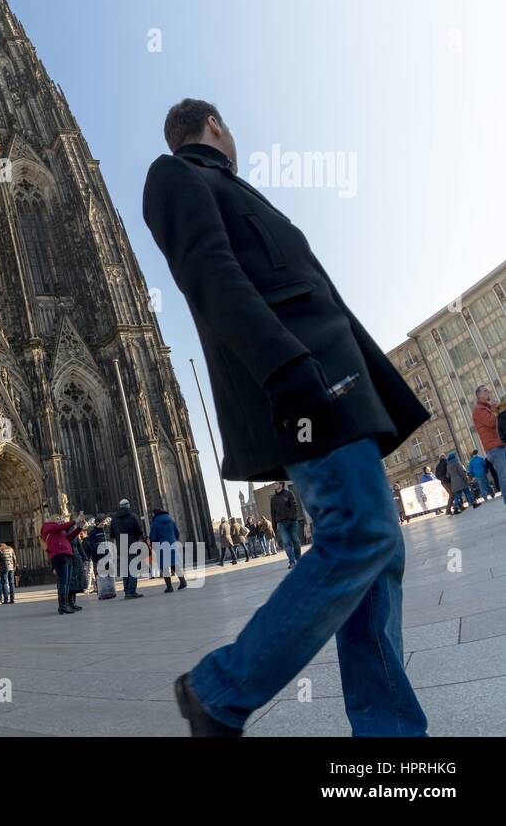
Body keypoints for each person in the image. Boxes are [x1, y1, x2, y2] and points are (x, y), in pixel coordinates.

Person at [145, 99, 428, 736]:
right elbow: (211, 276)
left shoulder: (232, 188)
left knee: (376, 567)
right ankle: (218, 689)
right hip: (305, 384)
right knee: (361, 534)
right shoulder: (176, 176)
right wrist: (285, 368)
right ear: (214, 124)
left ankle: (390, 746)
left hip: (337, 383)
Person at [40, 505, 83, 614]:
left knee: (67, 581)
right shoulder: (48, 526)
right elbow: (59, 527)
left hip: (67, 554)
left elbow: (68, 538)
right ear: (53, 519)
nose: (61, 520)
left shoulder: (60, 531)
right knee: (64, 581)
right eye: (59, 518)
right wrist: (74, 521)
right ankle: (62, 606)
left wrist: (79, 528)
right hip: (59, 555)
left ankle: (67, 604)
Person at [472, 386, 506, 495]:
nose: (489, 392)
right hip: (494, 448)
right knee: (504, 476)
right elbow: (491, 422)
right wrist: (494, 408)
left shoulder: (486, 408)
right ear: (479, 395)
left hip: (499, 444)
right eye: (485, 391)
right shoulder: (478, 410)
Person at [109, 499, 147, 599]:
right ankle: (132, 591)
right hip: (132, 544)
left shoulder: (114, 518)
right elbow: (139, 530)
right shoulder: (133, 516)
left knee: (125, 570)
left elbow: (112, 534)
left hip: (121, 545)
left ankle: (126, 591)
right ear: (127, 505)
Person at [149, 505, 187, 592]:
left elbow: (153, 537)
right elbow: (177, 532)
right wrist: (174, 540)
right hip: (173, 544)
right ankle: (183, 581)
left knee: (165, 566)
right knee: (174, 564)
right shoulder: (171, 520)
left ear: (155, 514)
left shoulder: (155, 524)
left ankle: (169, 587)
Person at [268, 482, 301, 568]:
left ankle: (299, 559)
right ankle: (292, 562)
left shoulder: (288, 493)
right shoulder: (273, 499)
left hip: (292, 522)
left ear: (281, 484)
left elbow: (294, 506)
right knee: (286, 543)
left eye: (276, 483)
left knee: (296, 541)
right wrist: (274, 527)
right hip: (281, 524)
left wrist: (292, 518)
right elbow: (273, 513)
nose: (274, 485)